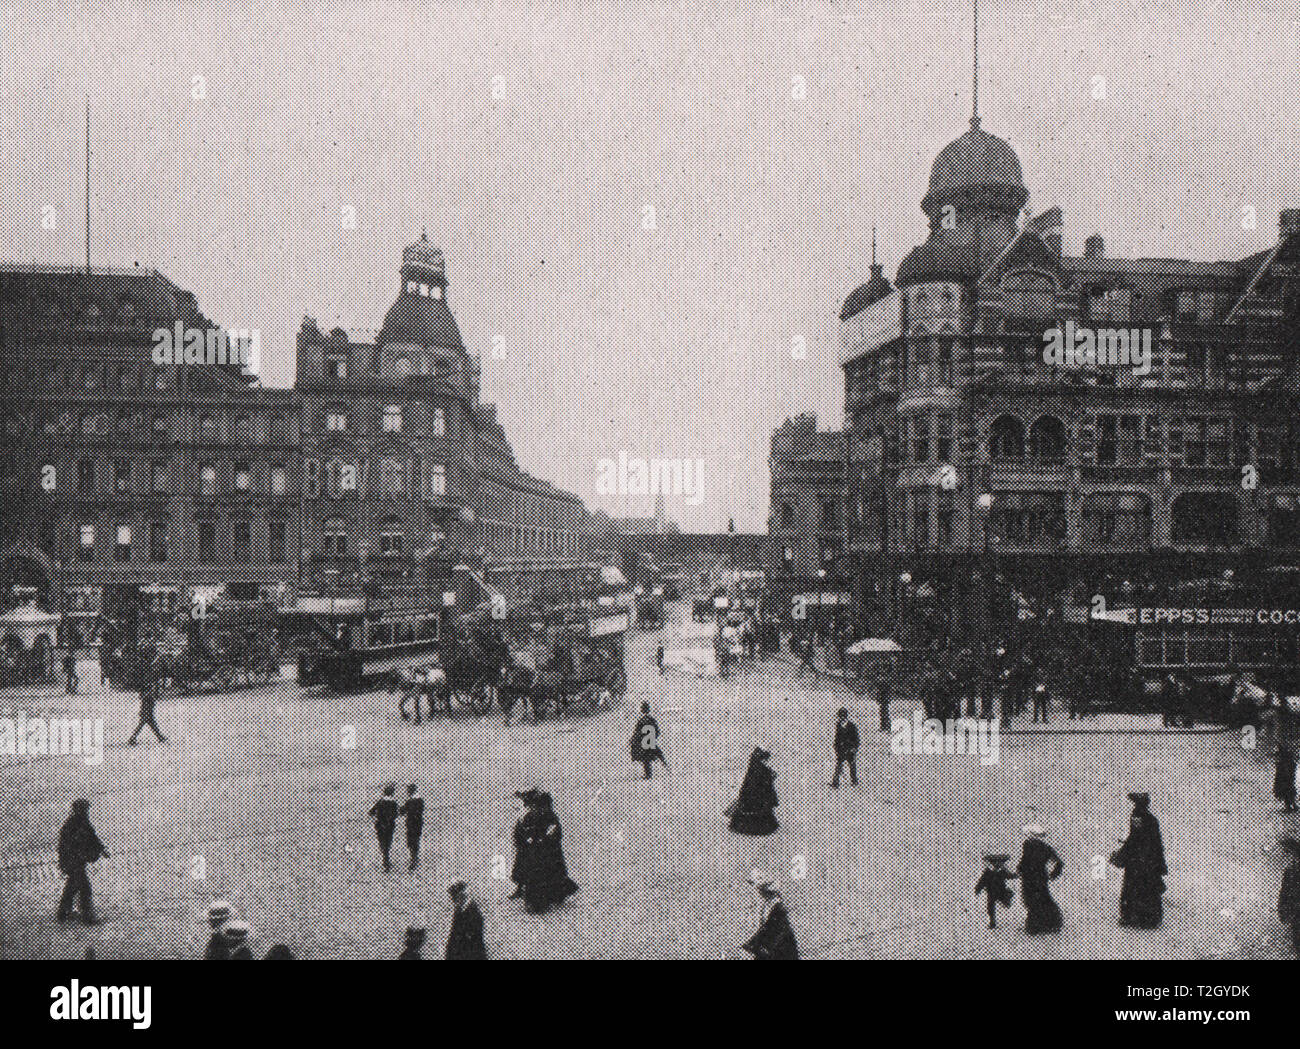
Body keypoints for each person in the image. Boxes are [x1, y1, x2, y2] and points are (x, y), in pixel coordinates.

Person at [514, 791, 579, 914]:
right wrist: (527, 841)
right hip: (533, 852)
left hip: (548, 853)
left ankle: (547, 898)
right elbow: (520, 833)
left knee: (549, 876)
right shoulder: (528, 817)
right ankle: (533, 898)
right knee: (534, 875)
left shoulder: (550, 817)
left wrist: (542, 840)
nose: (536, 808)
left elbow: (555, 833)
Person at [1110, 792, 1167, 928]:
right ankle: (1149, 919)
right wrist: (1160, 862)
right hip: (1149, 860)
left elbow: (1134, 839)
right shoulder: (1151, 819)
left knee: (1134, 888)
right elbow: (1156, 842)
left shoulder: (1137, 816)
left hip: (1137, 861)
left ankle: (1133, 918)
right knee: (1147, 889)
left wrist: (1121, 854)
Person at [57, 798, 108, 924]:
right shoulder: (72, 825)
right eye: (84, 809)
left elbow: (92, 837)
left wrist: (101, 849)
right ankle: (87, 918)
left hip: (77, 860)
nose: (86, 811)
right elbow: (67, 846)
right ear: (78, 810)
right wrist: (75, 857)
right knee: (84, 888)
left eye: (86, 809)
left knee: (73, 886)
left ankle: (63, 913)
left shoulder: (83, 823)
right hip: (73, 861)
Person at [1017, 825, 1064, 934]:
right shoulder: (1045, 848)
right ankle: (1049, 924)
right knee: (1041, 899)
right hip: (1040, 878)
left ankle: (1035, 927)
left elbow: (1024, 862)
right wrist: (1053, 875)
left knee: (1031, 900)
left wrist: (1019, 870)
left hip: (1029, 878)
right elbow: (1059, 863)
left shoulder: (1028, 846)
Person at [740, 872, 798, 960]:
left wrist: (756, 949)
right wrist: (749, 946)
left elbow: (775, 933)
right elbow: (764, 931)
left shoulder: (778, 911)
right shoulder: (768, 909)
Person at [727, 747, 779, 835]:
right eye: (764, 759)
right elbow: (757, 781)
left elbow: (752, 782)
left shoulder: (755, 766)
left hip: (755, 793)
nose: (766, 761)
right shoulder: (759, 768)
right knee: (756, 809)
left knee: (755, 808)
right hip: (757, 794)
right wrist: (769, 775)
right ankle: (757, 827)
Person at [127, 647, 167, 745]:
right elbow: (148, 681)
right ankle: (133, 737)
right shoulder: (148, 666)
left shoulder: (144, 665)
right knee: (146, 717)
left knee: (148, 717)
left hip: (147, 693)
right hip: (148, 693)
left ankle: (159, 736)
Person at [445, 881, 487, 960]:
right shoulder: (459, 911)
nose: (455, 902)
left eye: (456, 899)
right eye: (454, 900)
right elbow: (454, 934)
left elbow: (473, 940)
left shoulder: (474, 914)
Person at [974, 854, 1016, 929]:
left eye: (999, 863)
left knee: (1005, 901)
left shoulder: (1002, 871)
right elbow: (982, 881)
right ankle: (992, 922)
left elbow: (1010, 876)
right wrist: (978, 889)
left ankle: (1008, 897)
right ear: (992, 863)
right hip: (991, 892)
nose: (997, 864)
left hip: (1001, 891)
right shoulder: (987, 872)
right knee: (990, 907)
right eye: (995, 863)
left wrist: (1015, 875)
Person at [630, 702, 669, 779]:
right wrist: (653, 737)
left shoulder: (641, 721)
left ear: (642, 710)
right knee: (657, 754)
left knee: (645, 758)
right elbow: (657, 731)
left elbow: (637, 732)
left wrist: (634, 740)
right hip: (651, 741)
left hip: (644, 742)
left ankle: (648, 774)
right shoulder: (652, 720)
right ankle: (666, 766)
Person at [369, 784, 399, 872]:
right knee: (388, 842)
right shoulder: (394, 803)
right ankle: (386, 859)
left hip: (380, 825)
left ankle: (386, 860)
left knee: (382, 843)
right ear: (392, 793)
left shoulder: (380, 802)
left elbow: (371, 812)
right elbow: (396, 814)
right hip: (390, 826)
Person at [1278, 837, 1300, 956]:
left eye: (1285, 853)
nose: (1283, 858)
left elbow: (1285, 895)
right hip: (1295, 917)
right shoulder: (1289, 872)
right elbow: (1284, 895)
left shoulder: (1291, 872)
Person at [831, 708, 859, 788]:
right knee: (839, 766)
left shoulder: (852, 726)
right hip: (841, 749)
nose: (841, 718)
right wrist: (836, 747)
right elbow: (837, 737)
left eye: (843, 716)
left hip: (850, 749)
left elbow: (856, 738)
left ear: (846, 716)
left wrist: (854, 748)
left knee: (852, 765)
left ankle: (854, 781)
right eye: (840, 716)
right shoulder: (838, 725)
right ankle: (835, 783)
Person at [400, 784, 425, 870]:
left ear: (410, 791)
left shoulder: (409, 801)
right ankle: (415, 858)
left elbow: (402, 811)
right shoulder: (420, 800)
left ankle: (413, 860)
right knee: (416, 840)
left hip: (411, 824)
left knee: (411, 841)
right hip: (418, 823)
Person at [1274, 745, 1298, 814]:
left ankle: (1289, 806)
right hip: (1287, 778)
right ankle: (1292, 805)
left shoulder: (1284, 762)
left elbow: (1284, 770)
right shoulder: (1288, 760)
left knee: (1286, 790)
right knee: (1289, 790)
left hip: (1284, 778)